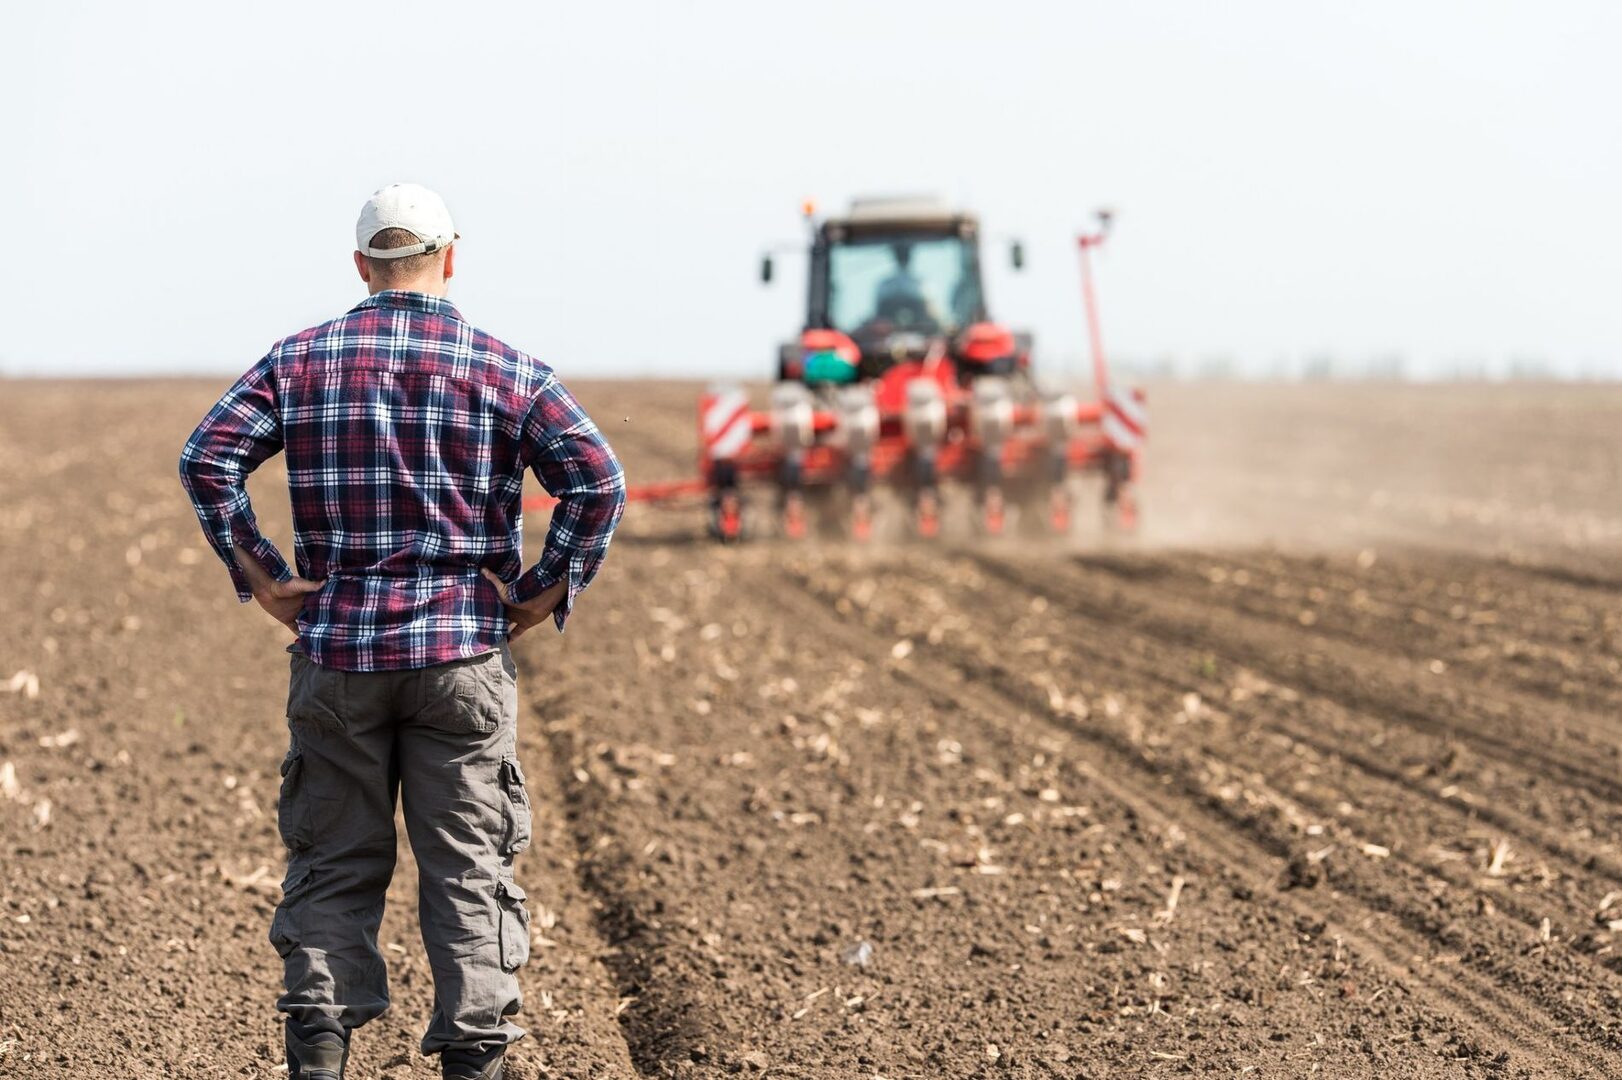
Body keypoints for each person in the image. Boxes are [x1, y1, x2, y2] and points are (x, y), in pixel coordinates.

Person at [178, 183, 626, 1080]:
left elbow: (207, 457)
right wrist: (541, 592)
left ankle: (317, 1057)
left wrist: (261, 574)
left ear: (361, 268)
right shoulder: (505, 366)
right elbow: (599, 481)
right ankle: (475, 1062)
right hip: (462, 655)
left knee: (334, 862)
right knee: (469, 868)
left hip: (338, 657)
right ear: (450, 259)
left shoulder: (301, 360)